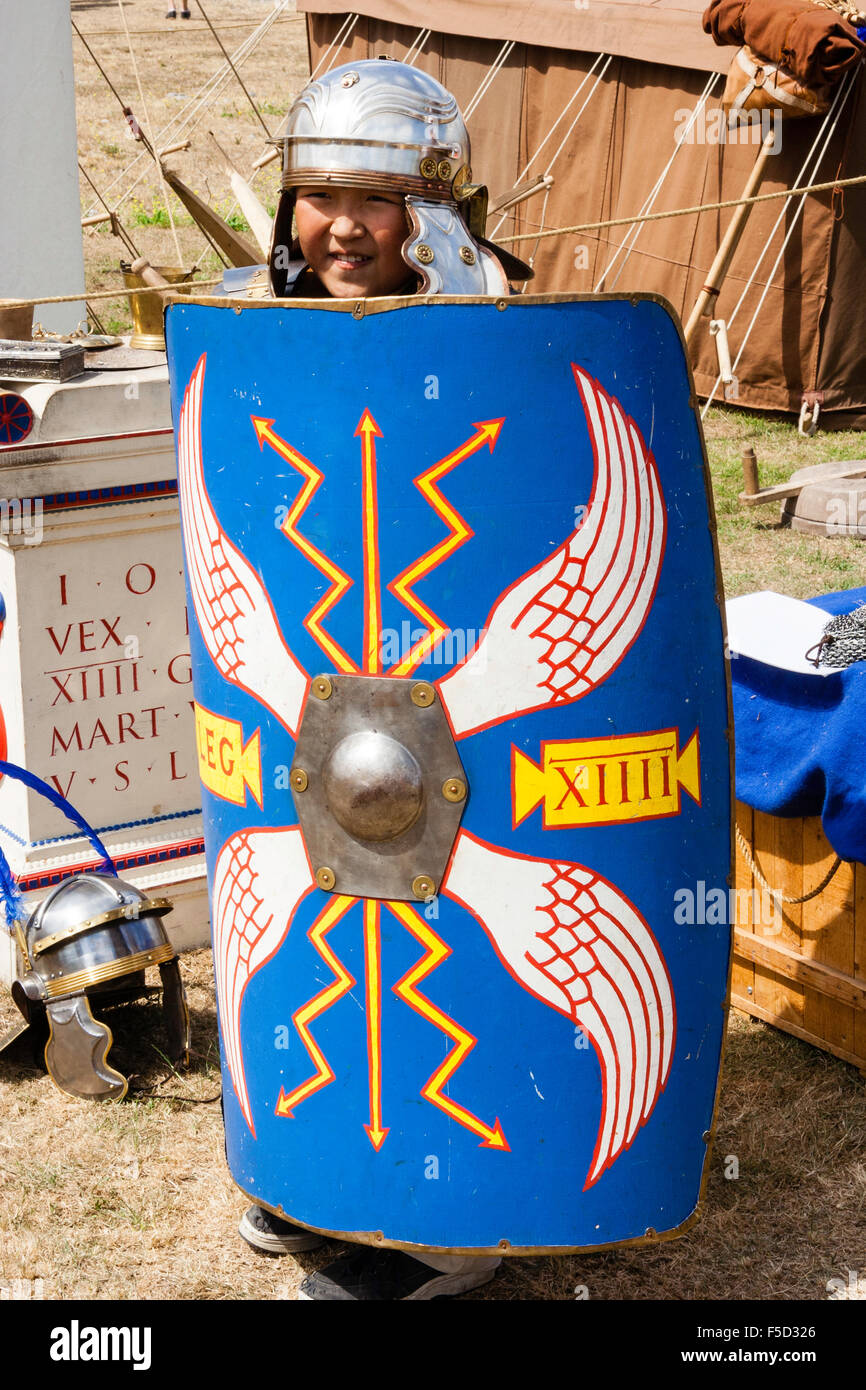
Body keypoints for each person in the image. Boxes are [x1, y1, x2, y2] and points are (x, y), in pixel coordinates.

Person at [231, 56, 531, 1301]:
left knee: (446, 920)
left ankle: (452, 1205)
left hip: (460, 726)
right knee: (318, 899)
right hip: (321, 714)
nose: (340, 225)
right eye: (316, 194)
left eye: (375, 197)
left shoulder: (503, 347)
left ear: (438, 213)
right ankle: (312, 1162)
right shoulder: (259, 333)